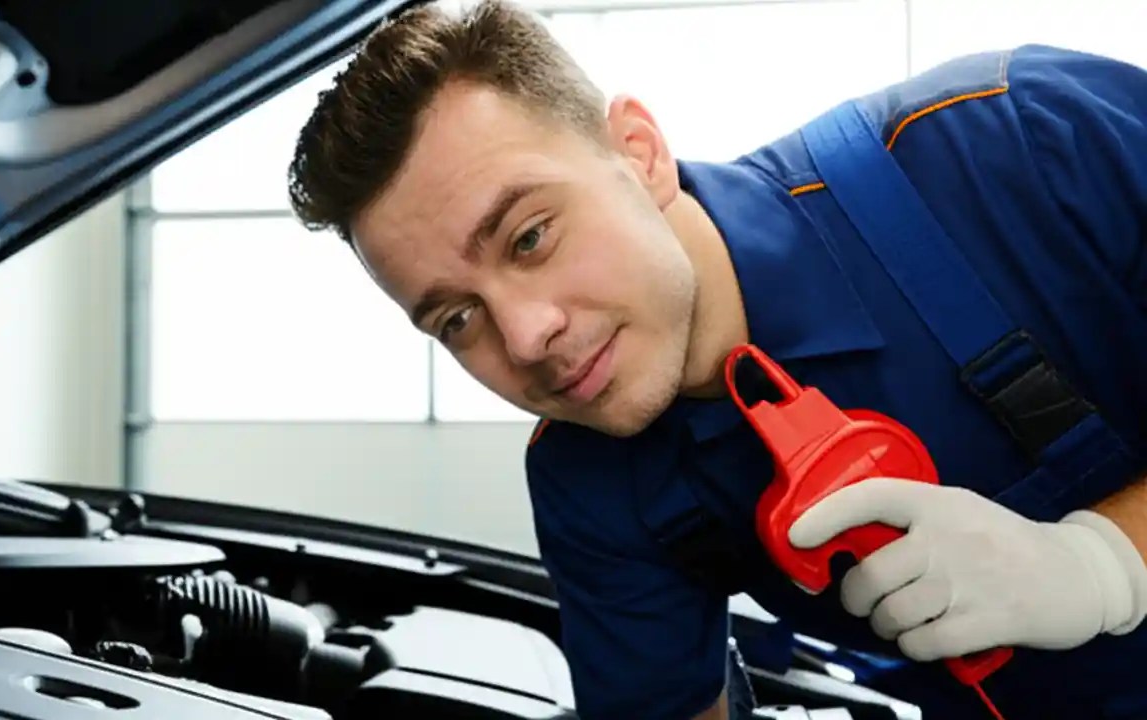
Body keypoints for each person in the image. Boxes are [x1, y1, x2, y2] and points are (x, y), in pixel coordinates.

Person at [285, 1, 1147, 718]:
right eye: (456, 318)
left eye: (531, 236)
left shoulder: (1019, 141)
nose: (524, 338)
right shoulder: (594, 487)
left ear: (639, 153)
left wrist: (1101, 566)